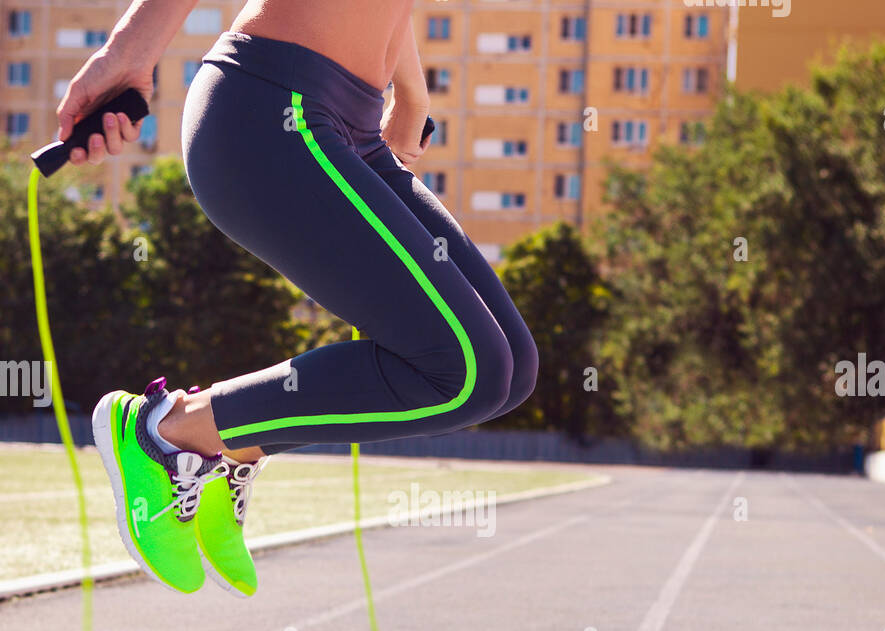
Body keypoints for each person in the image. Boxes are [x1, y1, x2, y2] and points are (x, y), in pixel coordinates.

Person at [58, 0, 538, 596]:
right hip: (274, 108)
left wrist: (411, 95)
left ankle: (234, 447)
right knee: (466, 370)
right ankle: (167, 433)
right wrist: (126, 55)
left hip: (353, 128)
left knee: (510, 369)